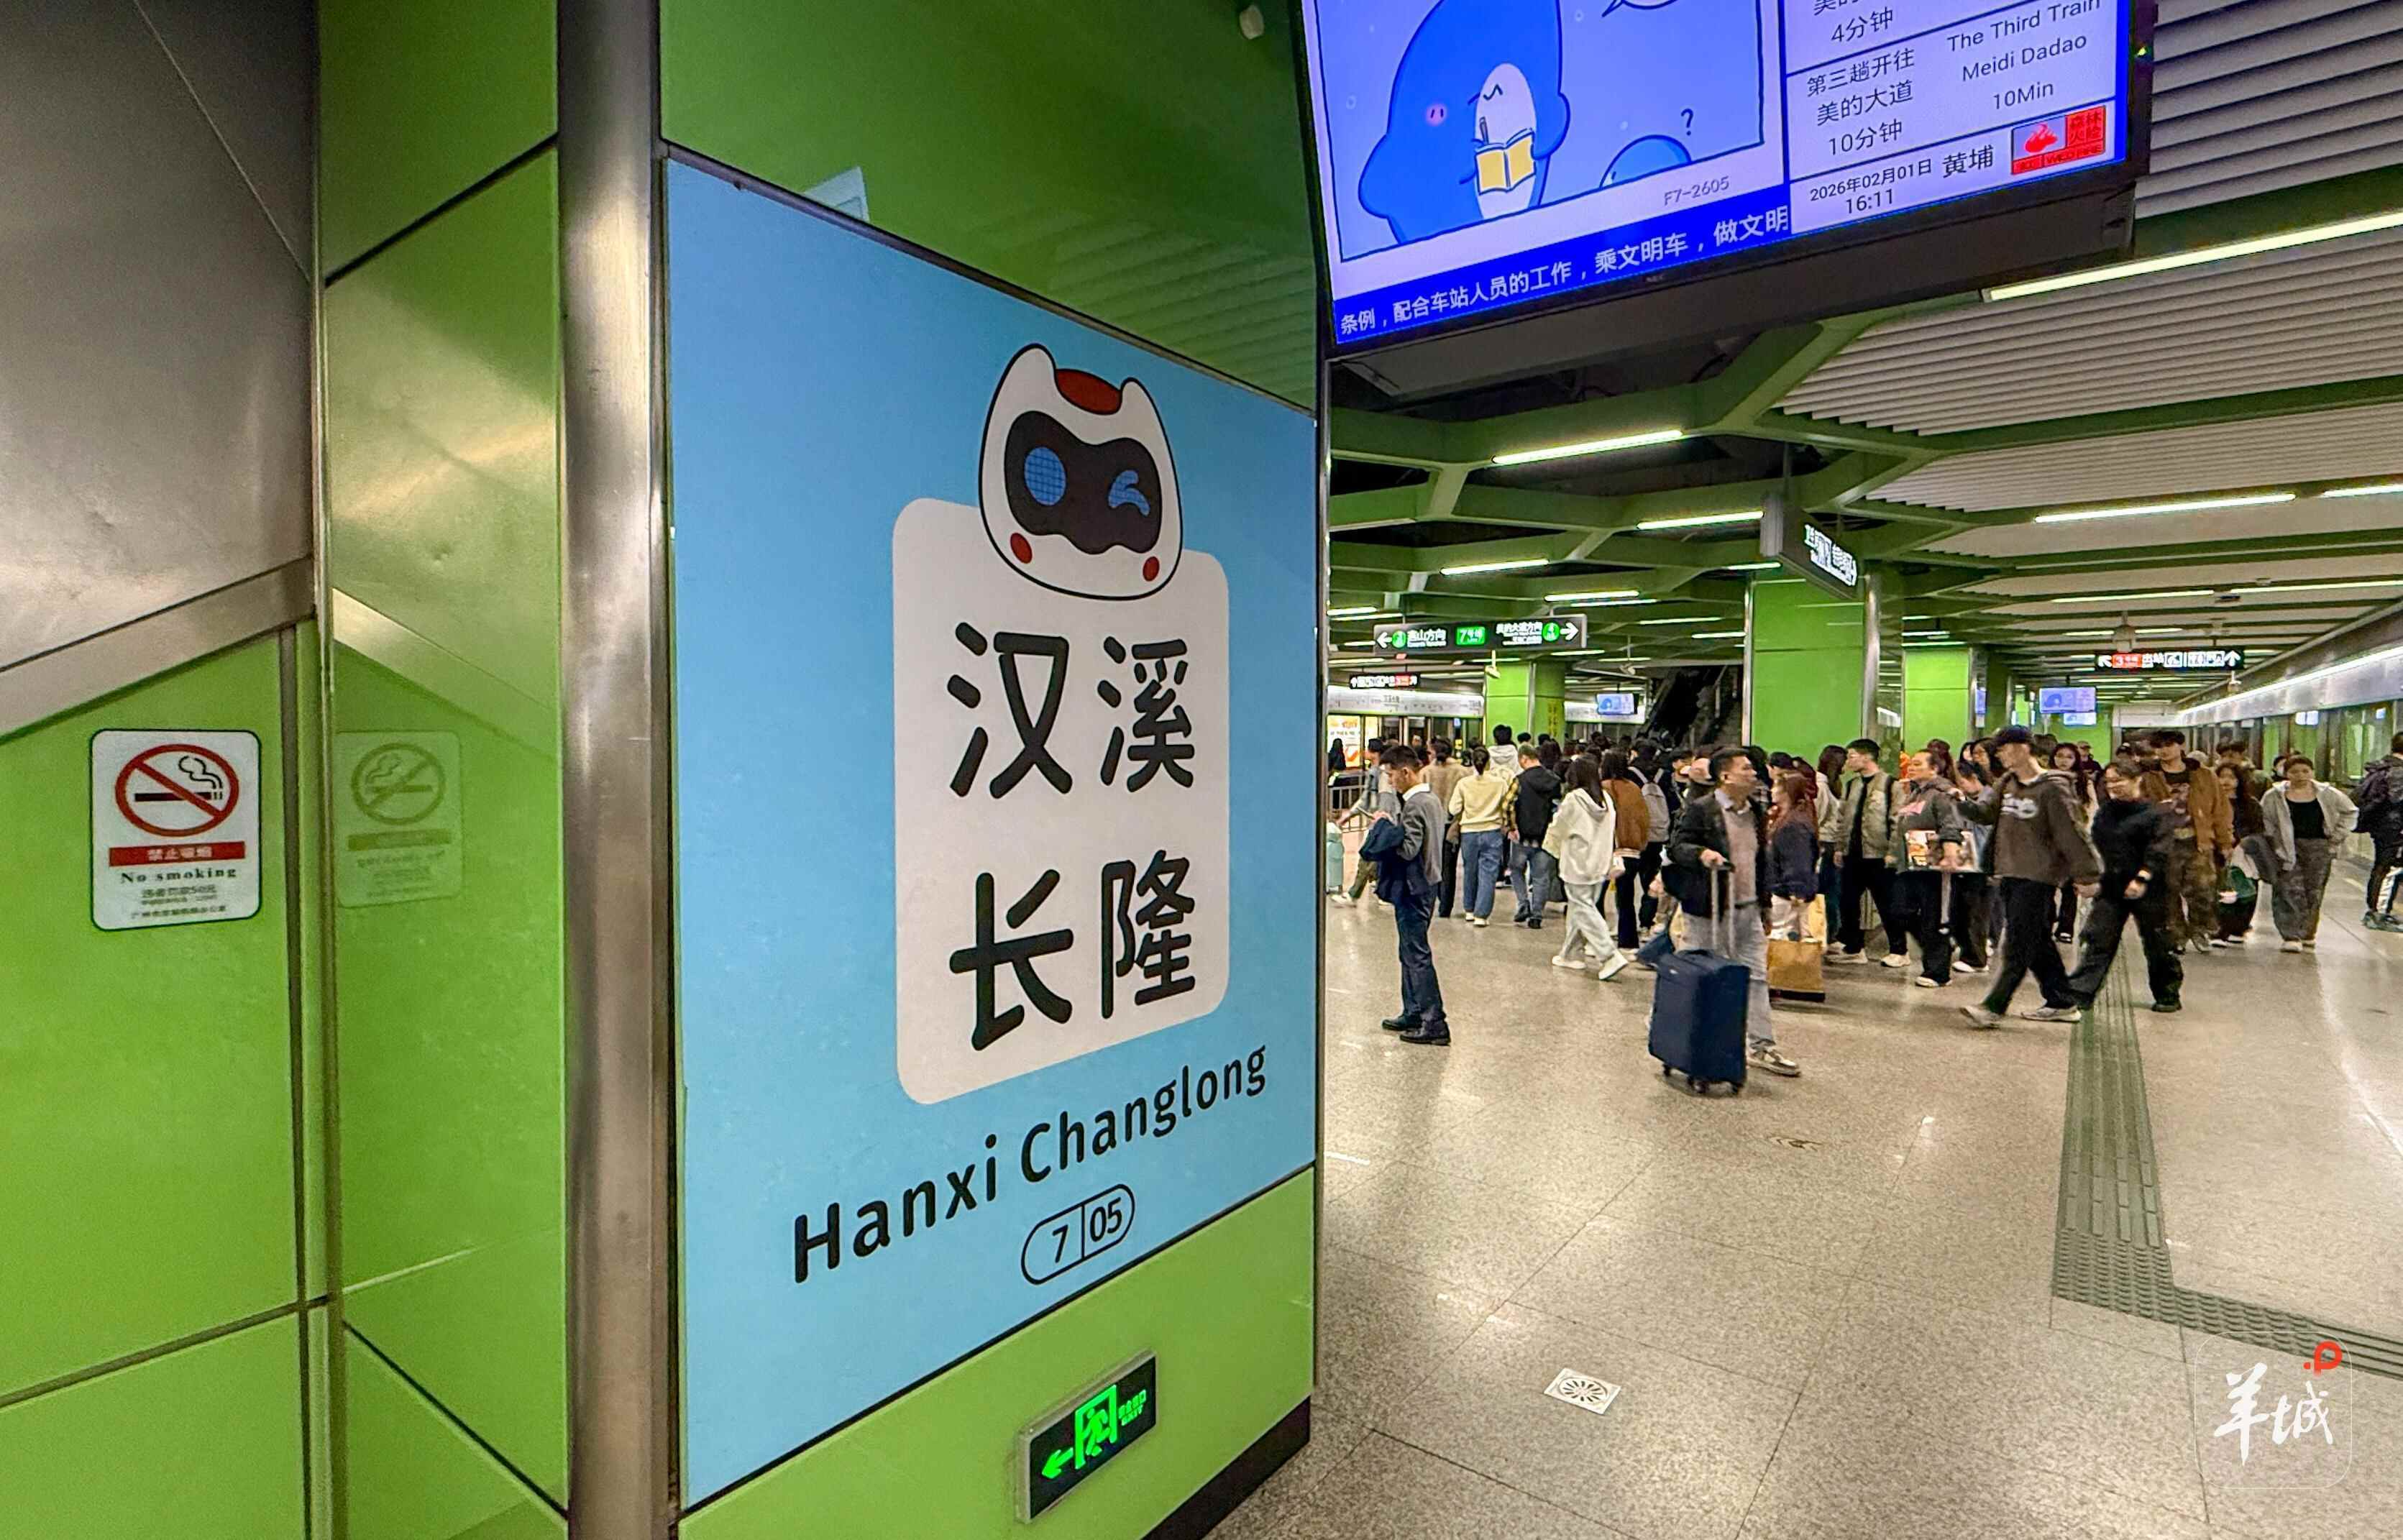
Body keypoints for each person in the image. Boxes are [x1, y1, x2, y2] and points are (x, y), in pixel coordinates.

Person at [1666, 748, 1801, 1077]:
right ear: (1725, 776)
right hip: (1709, 910)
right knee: (1697, 974)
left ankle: (1761, 1046)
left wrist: (1765, 904)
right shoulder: (1701, 810)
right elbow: (1677, 847)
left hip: (1748, 908)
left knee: (1756, 977)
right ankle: (1679, 1032)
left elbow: (1760, 861)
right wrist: (1702, 853)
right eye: (1746, 769)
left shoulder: (1755, 810)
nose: (1753, 773)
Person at [1958, 725, 2101, 1027]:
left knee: (2018, 944)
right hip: (2009, 871)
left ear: (2023, 748)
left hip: (2039, 875)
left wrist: (2087, 875)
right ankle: (2061, 1000)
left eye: (2003, 749)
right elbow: (1986, 814)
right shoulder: (2008, 783)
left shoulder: (2052, 787)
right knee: (2037, 941)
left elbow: (2070, 833)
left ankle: (1994, 1006)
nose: (2000, 755)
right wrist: (1960, 800)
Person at [2064, 758, 2182, 1013]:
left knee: (2157, 942)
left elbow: (2159, 851)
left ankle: (2167, 993)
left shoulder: (2155, 814)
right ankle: (2080, 992)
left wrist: (2142, 878)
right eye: (2109, 782)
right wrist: (2089, 877)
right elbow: (2095, 846)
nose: (2113, 786)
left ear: (2137, 780)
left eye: (2119, 780)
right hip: (2112, 885)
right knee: (2099, 938)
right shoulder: (2106, 812)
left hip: (2151, 888)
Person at [1360, 745, 1450, 1045]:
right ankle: (1413, 1011)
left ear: (1406, 772)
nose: (1390, 781)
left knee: (1416, 955)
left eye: (1391, 775)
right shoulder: (1432, 800)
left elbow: (1409, 849)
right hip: (1429, 882)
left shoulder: (1413, 805)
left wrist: (1384, 825)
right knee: (1409, 952)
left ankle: (1433, 1021)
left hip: (1414, 887)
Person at [2147, 728, 2234, 955]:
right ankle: (2176, 934)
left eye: (2169, 745)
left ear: (2181, 746)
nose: (2164, 751)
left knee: (2203, 889)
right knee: (2167, 892)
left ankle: (2199, 928)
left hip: (2198, 841)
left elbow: (2220, 809)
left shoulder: (2204, 775)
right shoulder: (2148, 777)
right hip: (2163, 843)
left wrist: (2225, 841)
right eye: (2159, 746)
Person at [1545, 756, 1630, 980]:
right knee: (1580, 908)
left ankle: (1609, 956)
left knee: (1583, 910)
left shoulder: (1573, 800)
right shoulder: (1606, 800)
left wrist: (1552, 848)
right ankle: (1571, 954)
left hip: (1577, 863)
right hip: (1599, 863)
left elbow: (1558, 827)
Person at [1886, 750, 1967, 988]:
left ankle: (1938, 971)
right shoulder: (1914, 793)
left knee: (1934, 916)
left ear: (1934, 769)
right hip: (1910, 863)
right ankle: (1938, 949)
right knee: (1900, 910)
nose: (1911, 767)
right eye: (1911, 763)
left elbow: (1951, 824)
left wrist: (1950, 852)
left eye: (1917, 764)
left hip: (1934, 866)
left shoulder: (1943, 794)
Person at [2264, 755, 2358, 953]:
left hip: (2319, 847)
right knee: (2288, 889)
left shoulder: (2327, 793)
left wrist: (2337, 835)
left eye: (2305, 771)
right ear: (2286, 774)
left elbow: (2350, 811)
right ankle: (2291, 934)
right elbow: (2267, 819)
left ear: (2312, 772)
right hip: (2287, 847)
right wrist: (2273, 842)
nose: (2301, 776)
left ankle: (2307, 932)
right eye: (2295, 772)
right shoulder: (2274, 796)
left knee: (2314, 891)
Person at [1828, 738, 1905, 966]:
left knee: (1886, 902)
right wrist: (1840, 847)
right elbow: (1842, 818)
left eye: (1852, 756)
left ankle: (1899, 950)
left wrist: (1892, 851)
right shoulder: (1852, 785)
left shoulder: (1891, 785)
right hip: (1853, 854)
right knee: (1848, 901)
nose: (1848, 761)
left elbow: (1897, 822)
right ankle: (1854, 947)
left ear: (1867, 757)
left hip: (1879, 855)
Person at [1447, 746, 1511, 927]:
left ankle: (1469, 909)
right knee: (1488, 874)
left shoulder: (1464, 783)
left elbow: (1453, 808)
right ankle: (1481, 915)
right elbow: (1507, 806)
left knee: (1470, 871)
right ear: (1489, 762)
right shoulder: (1500, 783)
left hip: (1469, 832)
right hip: (1492, 831)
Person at [1329, 743, 1398, 907]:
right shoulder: (1375, 772)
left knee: (1368, 857)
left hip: (1380, 823)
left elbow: (1384, 798)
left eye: (1368, 749)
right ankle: (1379, 892)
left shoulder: (1382, 774)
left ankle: (1356, 894)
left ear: (1375, 753)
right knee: (1377, 859)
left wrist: (1382, 817)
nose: (1365, 752)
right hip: (1378, 821)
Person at [1507, 741, 1565, 928]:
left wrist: (1511, 827)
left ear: (1524, 759)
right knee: (1541, 877)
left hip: (1522, 835)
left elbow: (1507, 805)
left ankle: (1523, 903)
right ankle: (1537, 915)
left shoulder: (1519, 780)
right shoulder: (1554, 781)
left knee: (1516, 869)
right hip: (1545, 836)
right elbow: (1560, 808)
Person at [1599, 750, 1653, 949]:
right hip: (1632, 850)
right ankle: (1628, 941)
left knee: (1596, 897)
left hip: (1608, 850)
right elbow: (1644, 819)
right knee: (1626, 898)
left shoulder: (1603, 788)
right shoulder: (1634, 788)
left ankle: (1598, 938)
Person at [2353, 731, 2403, 932]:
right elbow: (2398, 802)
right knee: (2391, 869)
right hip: (2396, 828)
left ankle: (2377, 910)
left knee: (2382, 867)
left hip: (2383, 827)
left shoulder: (2383, 768)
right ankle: (2379, 913)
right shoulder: (2399, 773)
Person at [2213, 762, 2266, 945]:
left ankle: (2239, 927)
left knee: (2245, 889)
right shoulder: (2211, 802)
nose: (2226, 781)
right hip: (2217, 851)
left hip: (2244, 853)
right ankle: (2220, 929)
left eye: (2231, 777)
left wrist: (2240, 842)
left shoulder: (2250, 804)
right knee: (2220, 889)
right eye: (2222, 777)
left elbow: (2258, 828)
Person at [2048, 743, 2097, 942]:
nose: (2064, 761)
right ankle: (2047, 920)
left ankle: (2066, 928)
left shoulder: (2084, 783)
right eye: (2060, 756)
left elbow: (2092, 810)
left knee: (2070, 887)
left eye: (2069, 757)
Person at [1948, 758, 1993, 973]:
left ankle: (1976, 959)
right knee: (1960, 909)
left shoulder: (1991, 799)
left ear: (1974, 778)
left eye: (1962, 782)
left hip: (1983, 863)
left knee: (1976, 912)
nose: (1961, 787)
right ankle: (1968, 951)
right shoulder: (1967, 799)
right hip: (1964, 862)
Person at [1767, 769, 1821, 940]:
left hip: (1787, 894)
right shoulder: (1787, 818)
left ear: (1787, 792)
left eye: (1776, 787)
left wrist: (1796, 890)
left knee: (1781, 940)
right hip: (1785, 889)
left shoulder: (1794, 825)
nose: (1771, 790)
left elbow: (1798, 861)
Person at [1423, 738, 1468, 919]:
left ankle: (1431, 901)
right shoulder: (1462, 772)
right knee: (1449, 867)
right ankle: (1446, 907)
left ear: (1433, 752)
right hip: (1453, 825)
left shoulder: (1426, 772)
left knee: (1431, 864)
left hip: (1431, 824)